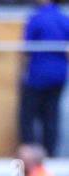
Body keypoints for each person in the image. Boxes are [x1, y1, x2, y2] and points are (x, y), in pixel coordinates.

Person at [19, 0, 69, 156]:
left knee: (26, 117)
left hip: (37, 76)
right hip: (58, 76)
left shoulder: (36, 18)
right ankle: (50, 157)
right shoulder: (64, 19)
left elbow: (25, 49)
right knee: (51, 117)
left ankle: (28, 156)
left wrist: (20, 75)